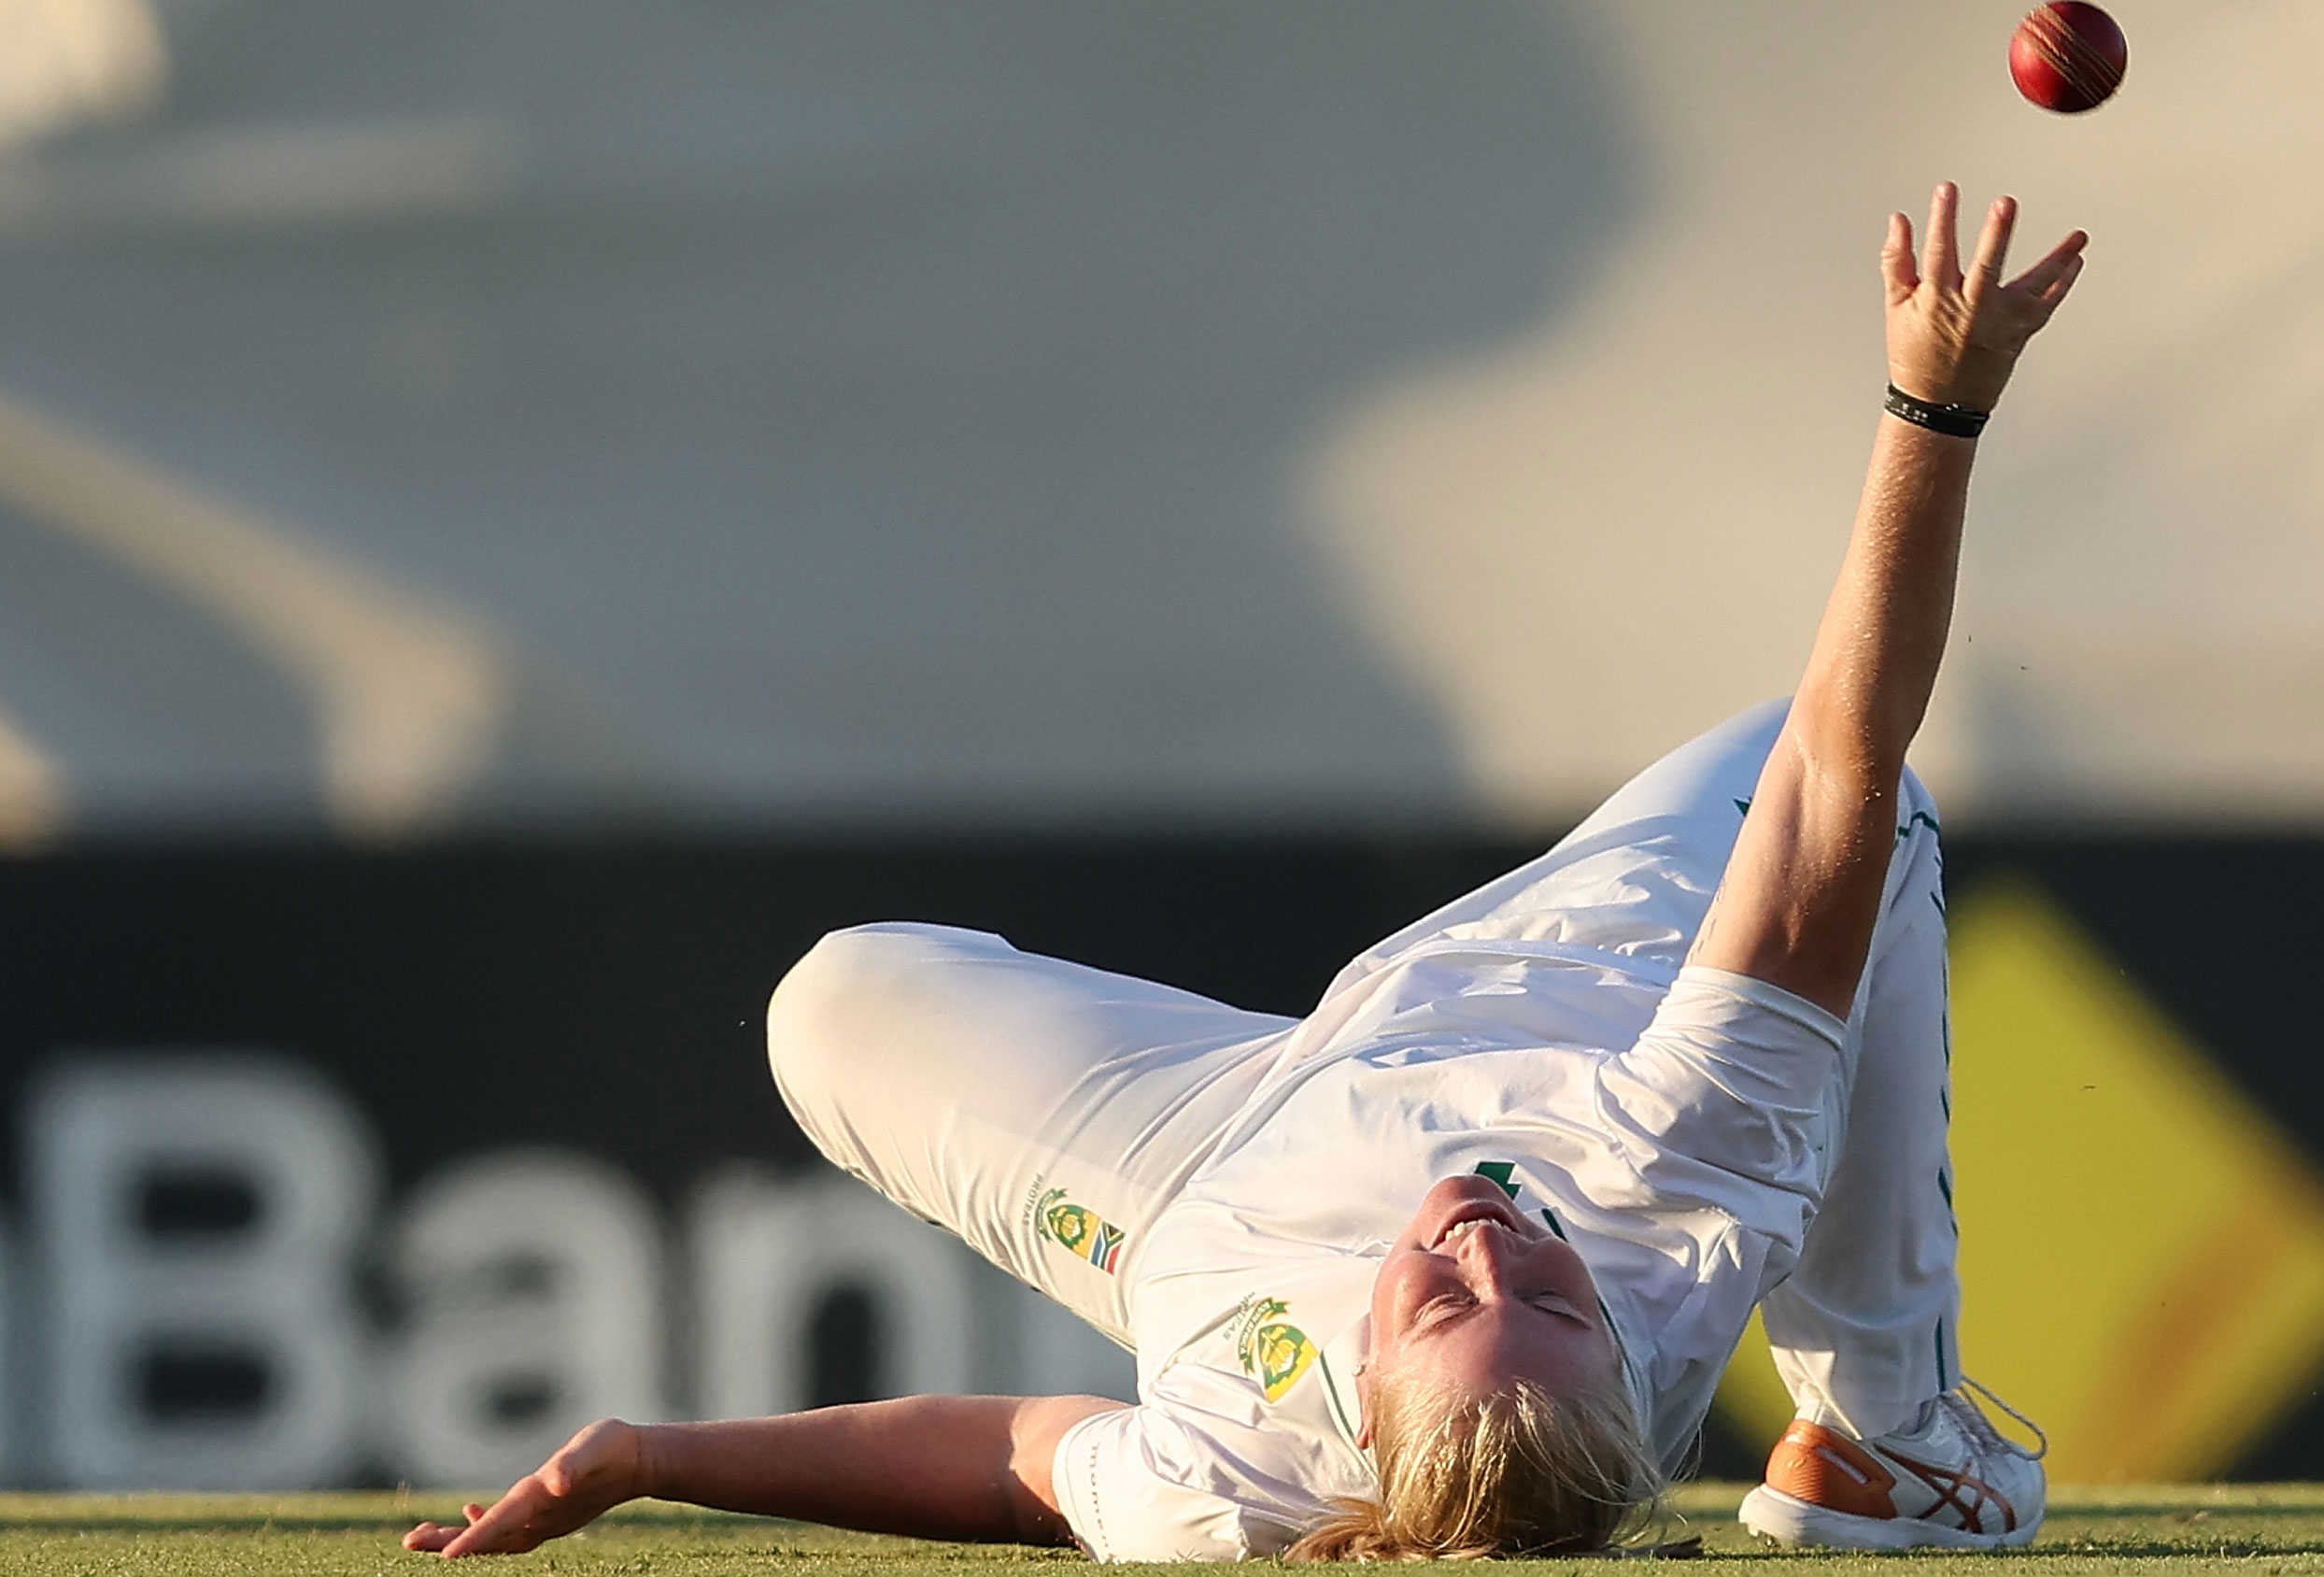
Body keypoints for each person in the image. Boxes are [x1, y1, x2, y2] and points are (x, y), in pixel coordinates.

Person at [404, 182, 2085, 1561]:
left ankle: (1877, 1439)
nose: (1491, 1244)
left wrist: (651, 1453)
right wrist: (1932, 408)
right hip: (1607, 963)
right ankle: (1893, 1428)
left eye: (1443, 1303)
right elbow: (1834, 779)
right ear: (1615, 1346)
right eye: (1555, 1310)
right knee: (1875, 805)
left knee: (831, 1005)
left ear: (1361, 1383)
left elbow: (1012, 1453)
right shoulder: (1679, 1183)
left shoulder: (1224, 1486)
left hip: (1221, 1163)